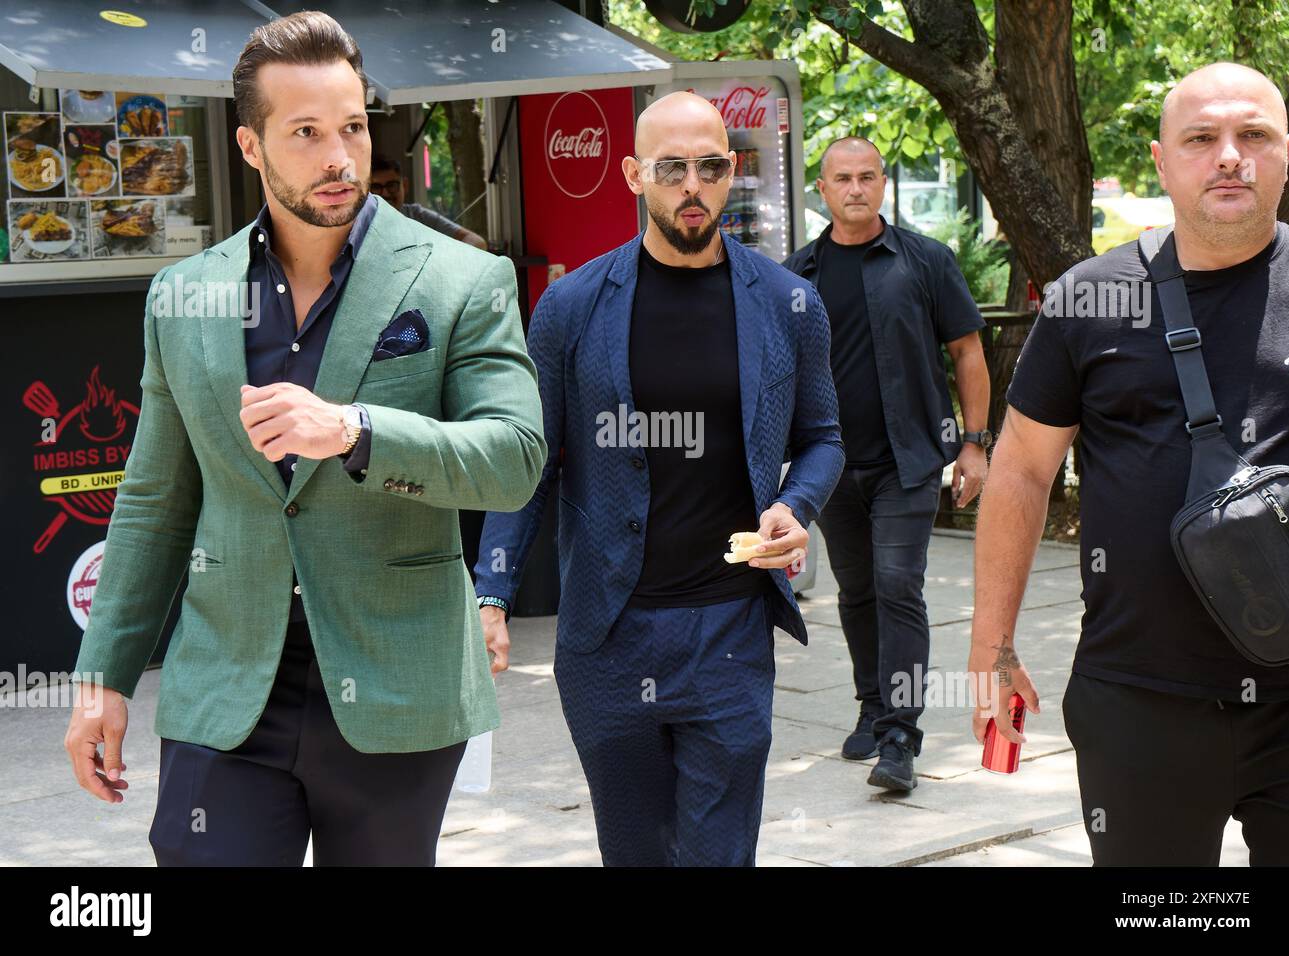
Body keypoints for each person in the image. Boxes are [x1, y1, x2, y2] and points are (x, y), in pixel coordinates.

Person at [61, 10, 545, 866]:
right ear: (250, 147)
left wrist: (358, 431)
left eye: (354, 127)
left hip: (395, 686)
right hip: (226, 688)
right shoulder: (184, 294)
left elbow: (512, 459)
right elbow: (155, 503)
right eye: (307, 133)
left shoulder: (464, 277)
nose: (338, 157)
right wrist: (104, 676)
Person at [473, 91, 844, 866]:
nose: (693, 185)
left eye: (710, 167)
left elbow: (823, 439)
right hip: (610, 634)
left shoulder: (788, 303)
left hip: (730, 631)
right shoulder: (571, 309)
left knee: (718, 853)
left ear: (732, 172)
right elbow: (529, 461)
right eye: (672, 168)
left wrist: (795, 504)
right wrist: (492, 592)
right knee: (636, 851)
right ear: (635, 175)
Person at [970, 61, 1289, 865]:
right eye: (1202, 139)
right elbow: (1018, 471)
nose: (1230, 156)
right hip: (1140, 699)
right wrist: (993, 647)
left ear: (1287, 152)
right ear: (1161, 160)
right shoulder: (1090, 297)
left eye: (1253, 135)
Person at [783, 138, 989, 791]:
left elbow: (967, 350)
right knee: (857, 591)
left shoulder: (925, 260)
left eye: (867, 176)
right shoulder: (797, 276)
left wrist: (976, 444)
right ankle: (871, 705)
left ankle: (900, 734)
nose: (856, 188)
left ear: (882, 183)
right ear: (823, 188)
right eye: (842, 178)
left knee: (899, 585)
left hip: (910, 462)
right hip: (831, 466)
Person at [370, 154, 487, 249]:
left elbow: (477, 241)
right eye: (376, 187)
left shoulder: (418, 215)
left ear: (404, 186)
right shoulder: (360, 223)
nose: (385, 193)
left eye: (392, 185)